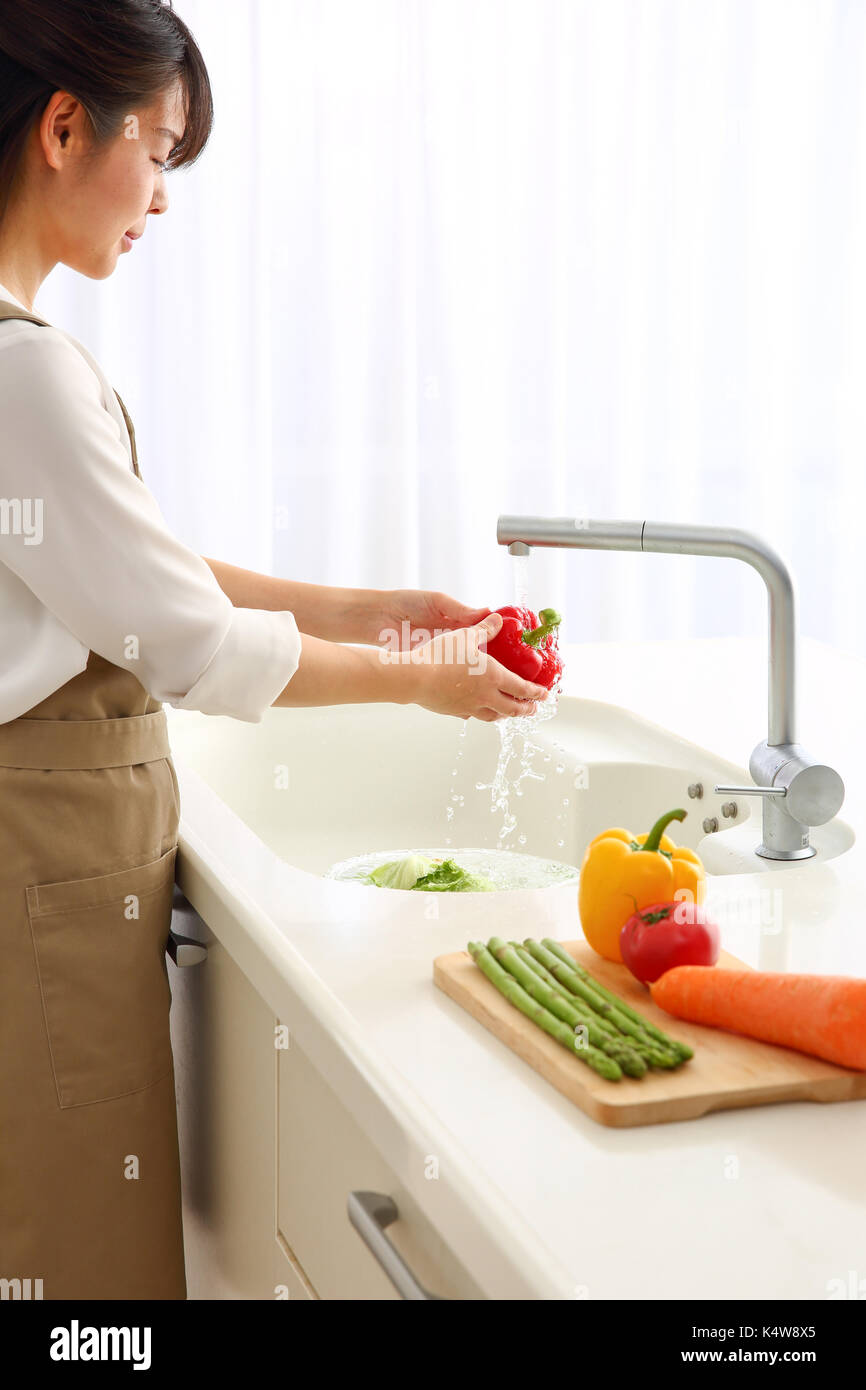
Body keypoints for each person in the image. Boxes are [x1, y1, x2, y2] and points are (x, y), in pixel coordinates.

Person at [0, 0, 548, 1301]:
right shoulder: (21, 373)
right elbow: (184, 641)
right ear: (67, 127)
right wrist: (433, 678)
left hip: (53, 881)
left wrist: (381, 610)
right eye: (162, 148)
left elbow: (136, 573)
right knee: (79, 1279)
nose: (165, 199)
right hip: (41, 887)